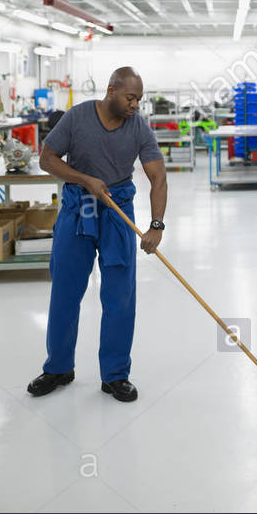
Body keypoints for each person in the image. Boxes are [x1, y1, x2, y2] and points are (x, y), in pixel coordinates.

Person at [27, 66, 167, 402]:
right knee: (65, 291)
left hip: (118, 214)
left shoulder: (138, 128)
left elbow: (158, 177)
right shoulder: (77, 118)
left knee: (119, 296)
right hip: (78, 209)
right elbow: (47, 159)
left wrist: (156, 225)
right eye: (130, 97)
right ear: (111, 90)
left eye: (139, 100)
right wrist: (84, 179)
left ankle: (115, 375)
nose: (135, 105)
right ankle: (58, 367)